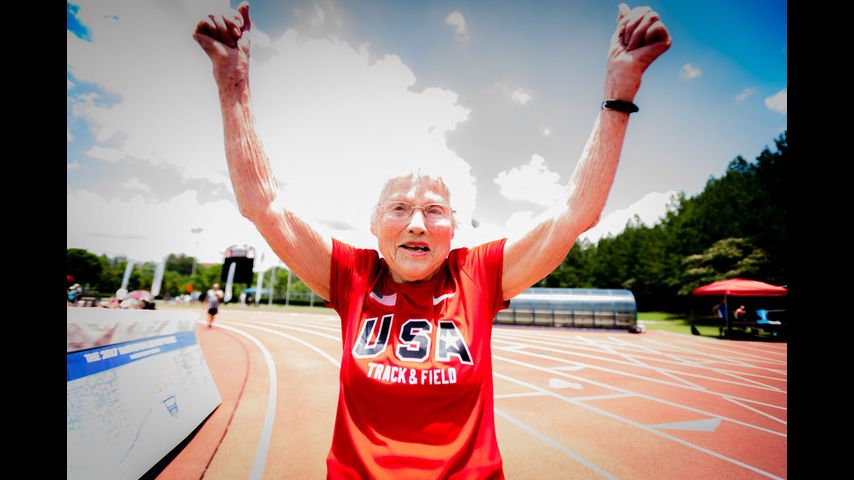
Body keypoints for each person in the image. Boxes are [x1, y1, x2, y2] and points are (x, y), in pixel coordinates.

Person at [193, 2, 670, 477]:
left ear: (454, 228)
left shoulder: (478, 274)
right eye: (400, 209)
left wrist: (619, 93)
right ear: (375, 225)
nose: (417, 223)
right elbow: (264, 206)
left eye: (434, 211)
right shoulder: (353, 275)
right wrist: (231, 81)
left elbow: (574, 214)